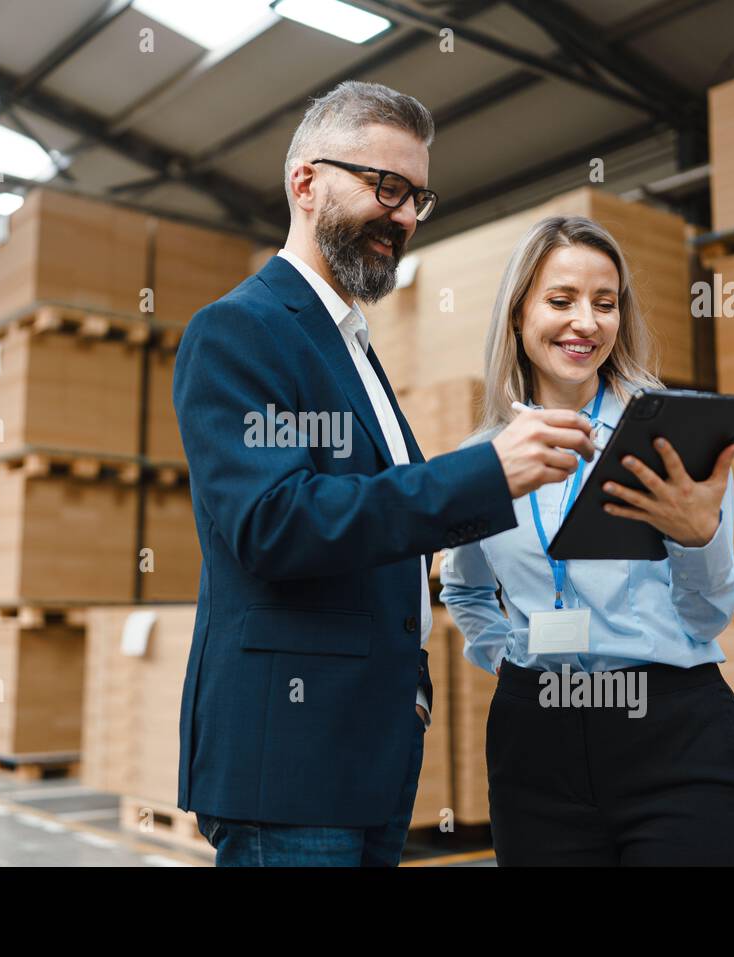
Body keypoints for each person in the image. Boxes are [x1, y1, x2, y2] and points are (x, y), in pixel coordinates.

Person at [172, 81, 597, 866]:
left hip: (367, 751)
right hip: (289, 763)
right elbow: (275, 523)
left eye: (417, 198)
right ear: (305, 182)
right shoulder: (240, 330)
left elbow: (385, 527)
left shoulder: (353, 347)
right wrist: (482, 474)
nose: (403, 216)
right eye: (385, 186)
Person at [440, 215, 734, 866]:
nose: (586, 323)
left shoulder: (670, 433)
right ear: (517, 312)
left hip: (673, 729)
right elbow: (464, 586)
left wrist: (698, 538)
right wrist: (506, 656)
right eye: (561, 300)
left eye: (605, 302)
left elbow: (708, 616)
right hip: (536, 743)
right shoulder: (483, 457)